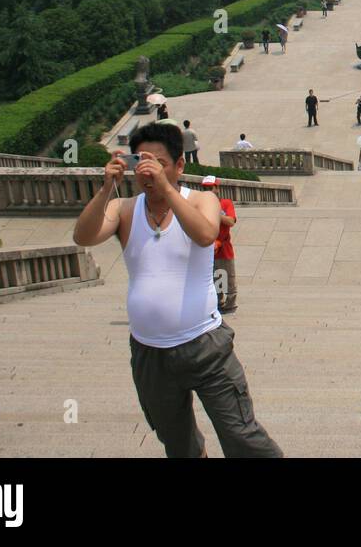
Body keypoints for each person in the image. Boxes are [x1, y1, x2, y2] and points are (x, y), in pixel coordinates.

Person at [72, 122, 281, 457]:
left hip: (206, 346)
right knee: (178, 444)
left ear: (180, 165)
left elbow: (204, 235)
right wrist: (105, 189)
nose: (148, 171)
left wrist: (167, 190)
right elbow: (83, 237)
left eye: (159, 163)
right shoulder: (123, 209)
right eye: (141, 162)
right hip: (149, 353)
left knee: (241, 435)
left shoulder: (202, 200)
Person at [202, 176, 238, 313]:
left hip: (224, 247)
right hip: (208, 247)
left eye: (210, 188)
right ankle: (218, 302)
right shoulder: (201, 204)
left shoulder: (225, 203)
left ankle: (230, 304)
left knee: (228, 276)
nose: (208, 191)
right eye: (205, 188)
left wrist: (216, 213)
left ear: (217, 188)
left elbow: (231, 221)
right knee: (215, 276)